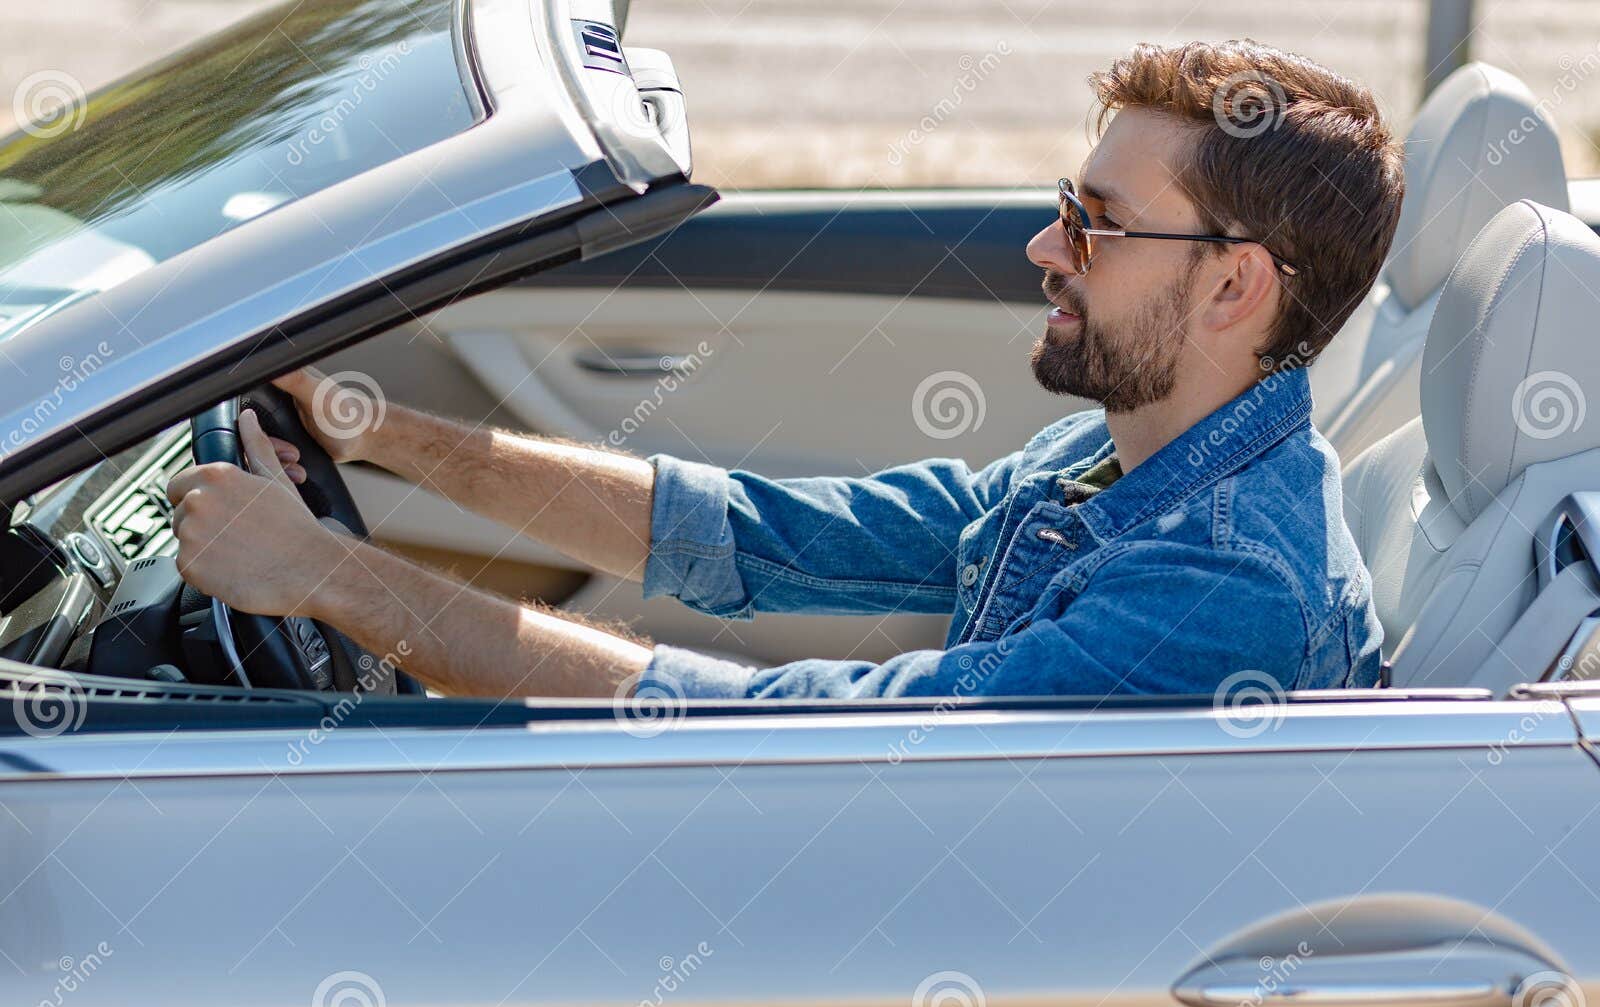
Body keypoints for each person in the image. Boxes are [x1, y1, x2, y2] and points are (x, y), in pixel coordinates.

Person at [167, 40, 1404, 702]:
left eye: (1094, 221)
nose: (1043, 248)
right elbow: (754, 536)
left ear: (1234, 285)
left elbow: (794, 735)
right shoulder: (1115, 461)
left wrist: (330, 576)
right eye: (1058, 207)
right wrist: (375, 429)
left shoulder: (1217, 592)